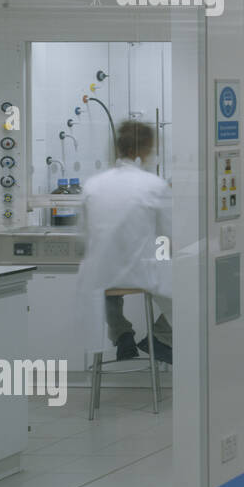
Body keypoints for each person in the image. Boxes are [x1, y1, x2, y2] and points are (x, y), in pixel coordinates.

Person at [78, 120, 172, 363]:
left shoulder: (93, 185)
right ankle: (161, 337)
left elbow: (84, 234)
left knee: (105, 287)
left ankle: (122, 335)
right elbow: (168, 234)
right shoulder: (154, 185)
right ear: (146, 149)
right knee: (198, 282)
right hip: (142, 272)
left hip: (101, 274)